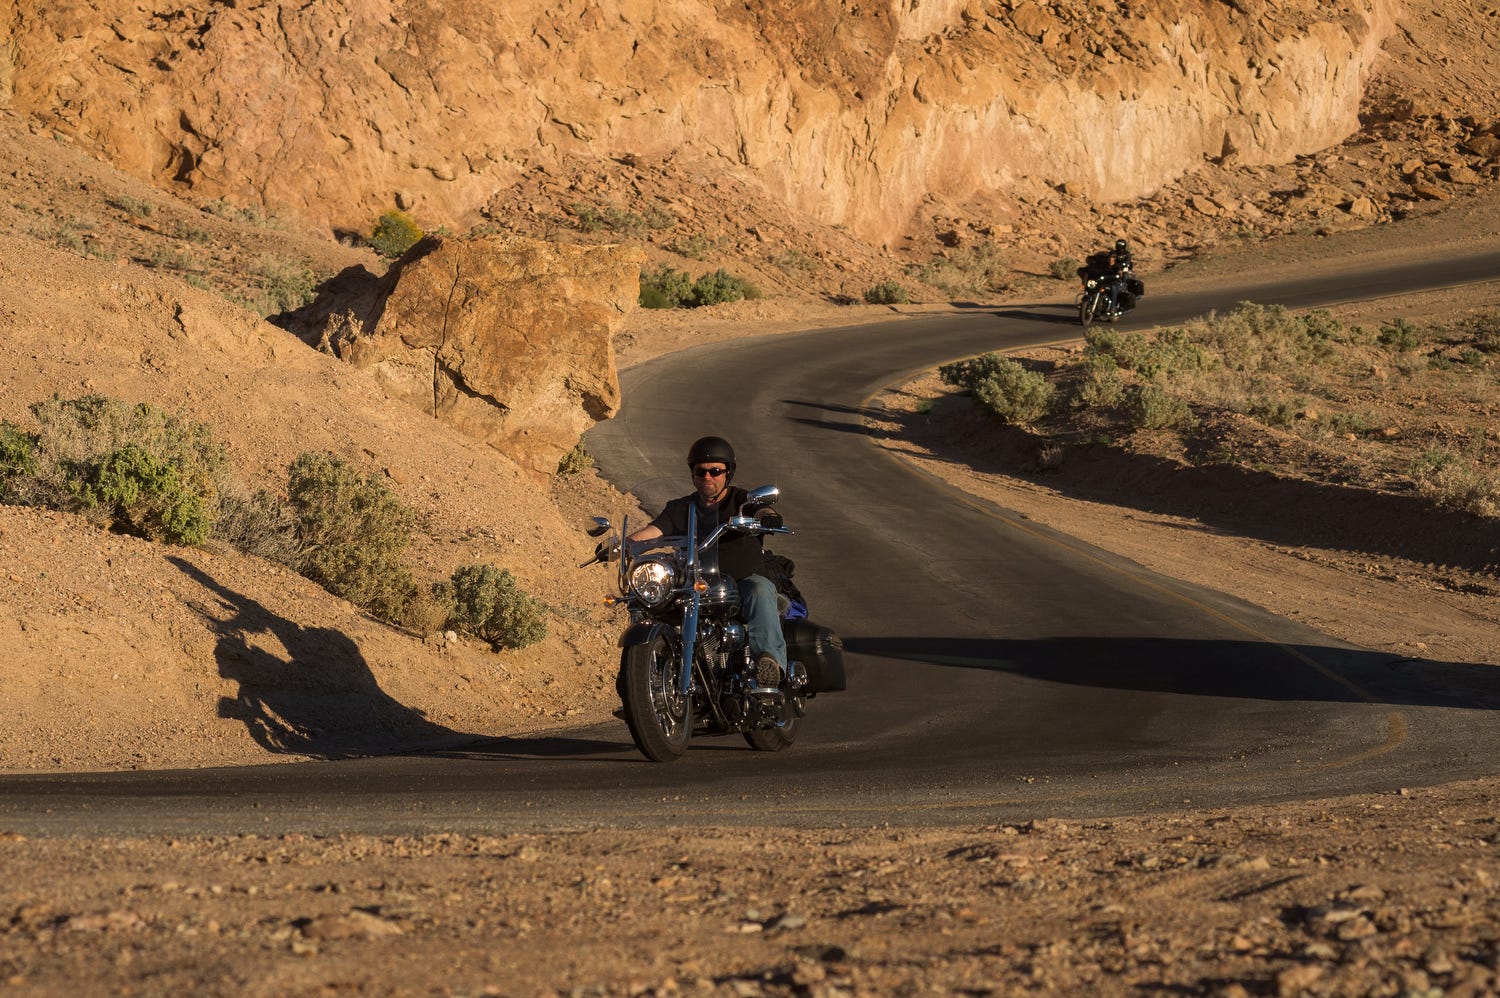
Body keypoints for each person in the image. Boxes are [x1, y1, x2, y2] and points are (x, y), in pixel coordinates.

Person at [627, 435, 788, 692]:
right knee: (654, 603)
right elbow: (654, 531)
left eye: (715, 471)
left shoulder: (741, 500)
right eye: (700, 472)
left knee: (759, 590)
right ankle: (640, 683)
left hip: (742, 580)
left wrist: (769, 518)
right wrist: (624, 544)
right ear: (692, 474)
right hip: (698, 582)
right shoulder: (682, 507)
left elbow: (761, 511)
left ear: (728, 473)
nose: (708, 477)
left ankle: (768, 662)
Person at [1078, 238, 1138, 314]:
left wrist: (1122, 269)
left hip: (1116, 277)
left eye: (1112, 258)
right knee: (1094, 285)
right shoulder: (1108, 259)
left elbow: (1126, 264)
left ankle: (1113, 307)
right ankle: (1089, 301)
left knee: (1114, 287)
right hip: (1107, 278)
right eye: (1110, 258)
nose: (1110, 259)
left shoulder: (1125, 256)